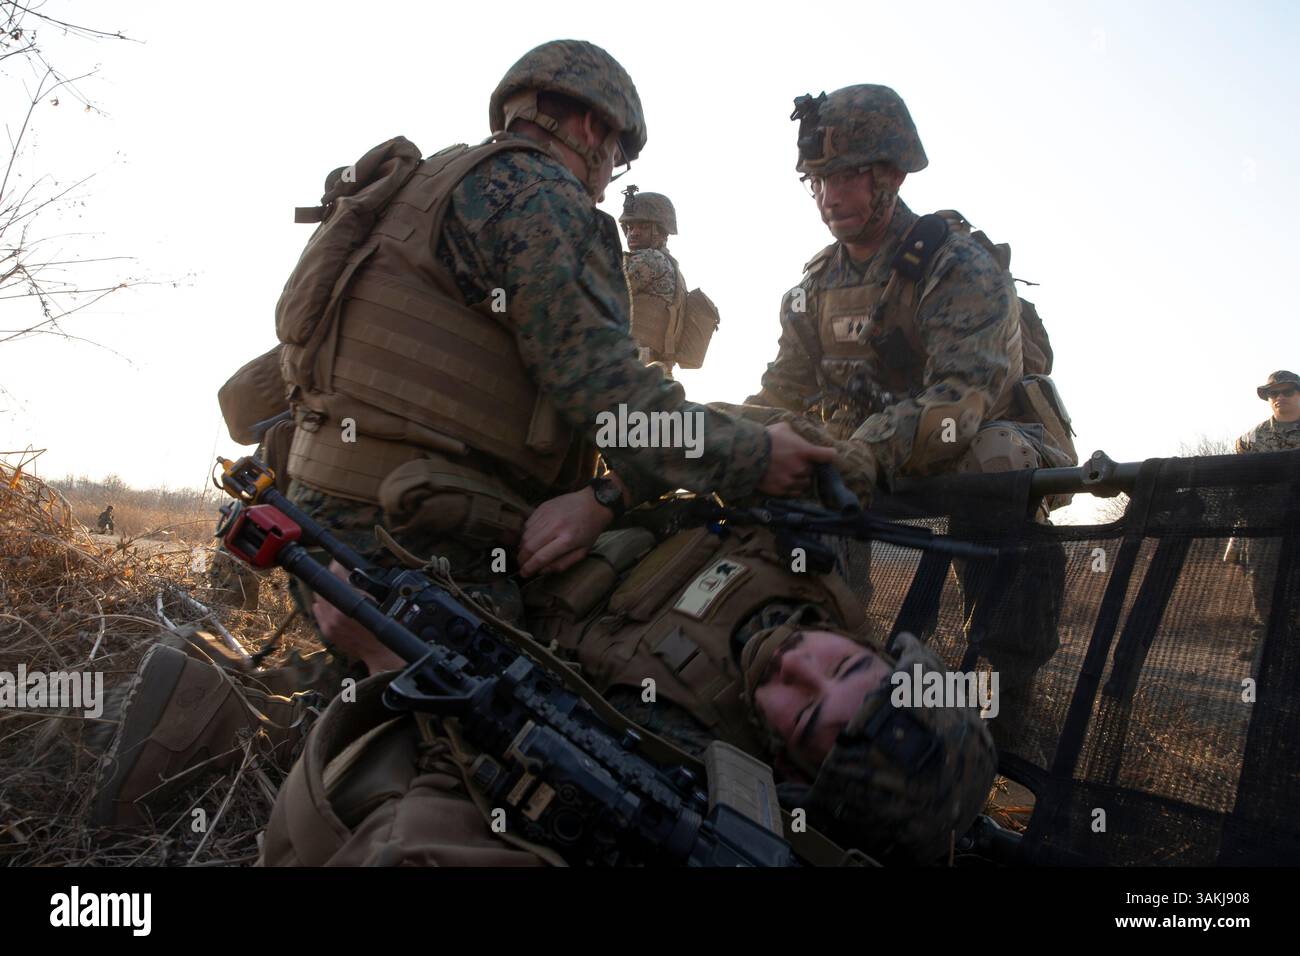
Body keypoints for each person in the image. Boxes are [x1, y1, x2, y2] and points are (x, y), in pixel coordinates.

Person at [619, 186, 720, 375]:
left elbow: (602, 291)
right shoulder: (672, 266)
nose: (634, 233)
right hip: (656, 371)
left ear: (660, 231)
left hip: (632, 368)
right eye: (630, 227)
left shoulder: (649, 259)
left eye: (642, 227)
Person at [1232, 370, 1300, 647]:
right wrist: (1237, 537)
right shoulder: (1250, 439)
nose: (1280, 397)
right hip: (1265, 524)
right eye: (1274, 393)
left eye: (1288, 391)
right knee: (1263, 582)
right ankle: (1270, 644)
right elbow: (1240, 489)